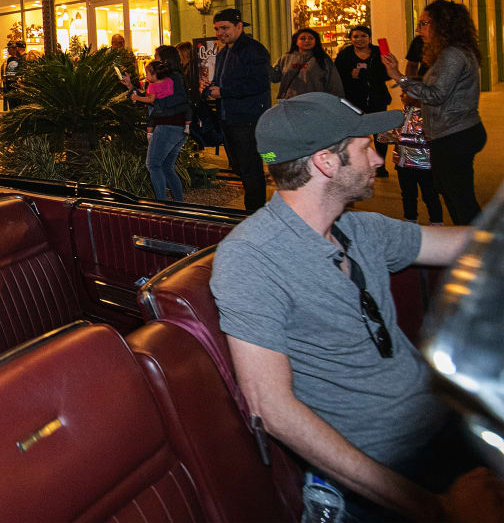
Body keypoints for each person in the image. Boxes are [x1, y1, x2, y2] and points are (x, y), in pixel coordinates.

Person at [211, 92, 495, 521]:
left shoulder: (359, 229)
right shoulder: (250, 259)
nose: (379, 160)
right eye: (366, 148)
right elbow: (273, 410)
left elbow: (474, 245)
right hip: (382, 466)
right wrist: (431, 507)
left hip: (445, 422)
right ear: (326, 162)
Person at [382, 0, 487, 225]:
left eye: (423, 23)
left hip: (455, 135)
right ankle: (472, 244)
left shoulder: (453, 54)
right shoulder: (452, 52)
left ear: (442, 24)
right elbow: (441, 88)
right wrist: (409, 81)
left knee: (461, 200)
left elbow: (435, 95)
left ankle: (481, 251)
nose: (419, 29)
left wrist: (398, 76)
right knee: (451, 193)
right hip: (451, 133)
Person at [205, 8, 272, 212]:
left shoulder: (254, 50)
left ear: (239, 26)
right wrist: (211, 90)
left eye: (224, 28)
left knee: (252, 168)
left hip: (247, 119)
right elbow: (221, 80)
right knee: (242, 167)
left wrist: (223, 91)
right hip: (230, 118)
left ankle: (255, 213)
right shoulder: (225, 51)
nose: (220, 32)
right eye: (217, 28)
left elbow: (259, 83)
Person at [127, 56, 190, 202]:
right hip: (179, 128)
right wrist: (131, 87)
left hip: (167, 126)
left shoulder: (170, 81)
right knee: (167, 166)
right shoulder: (171, 81)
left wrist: (137, 98)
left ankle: (161, 203)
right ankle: (178, 202)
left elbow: (151, 100)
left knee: (153, 164)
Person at [335, 25, 393, 177]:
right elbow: (338, 77)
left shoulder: (379, 52)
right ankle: (357, 164)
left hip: (377, 97)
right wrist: (351, 77)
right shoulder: (345, 55)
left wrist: (369, 74)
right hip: (354, 99)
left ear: (369, 37)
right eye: (355, 36)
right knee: (355, 134)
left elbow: (387, 75)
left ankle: (381, 165)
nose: (359, 39)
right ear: (350, 38)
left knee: (380, 133)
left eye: (363, 36)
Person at [389, 93, 442, 225]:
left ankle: (436, 224)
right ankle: (410, 222)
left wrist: (400, 138)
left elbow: (428, 138)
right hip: (403, 163)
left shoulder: (428, 114)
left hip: (423, 165)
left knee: (430, 196)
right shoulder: (404, 112)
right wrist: (389, 137)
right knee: (407, 196)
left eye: (405, 92)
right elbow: (398, 134)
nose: (401, 95)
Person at [271, 28, 344, 100]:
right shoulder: (285, 59)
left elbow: (334, 82)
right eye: (302, 38)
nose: (307, 41)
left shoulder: (323, 59)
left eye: (311, 38)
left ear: (316, 41)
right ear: (296, 41)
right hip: (290, 101)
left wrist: (336, 100)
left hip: (315, 101)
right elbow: (274, 78)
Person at [0, 42, 24, 110]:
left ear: (14, 49)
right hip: (8, 84)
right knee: (11, 104)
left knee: (17, 104)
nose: (8, 51)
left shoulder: (20, 59)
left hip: (16, 84)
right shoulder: (9, 59)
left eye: (9, 49)